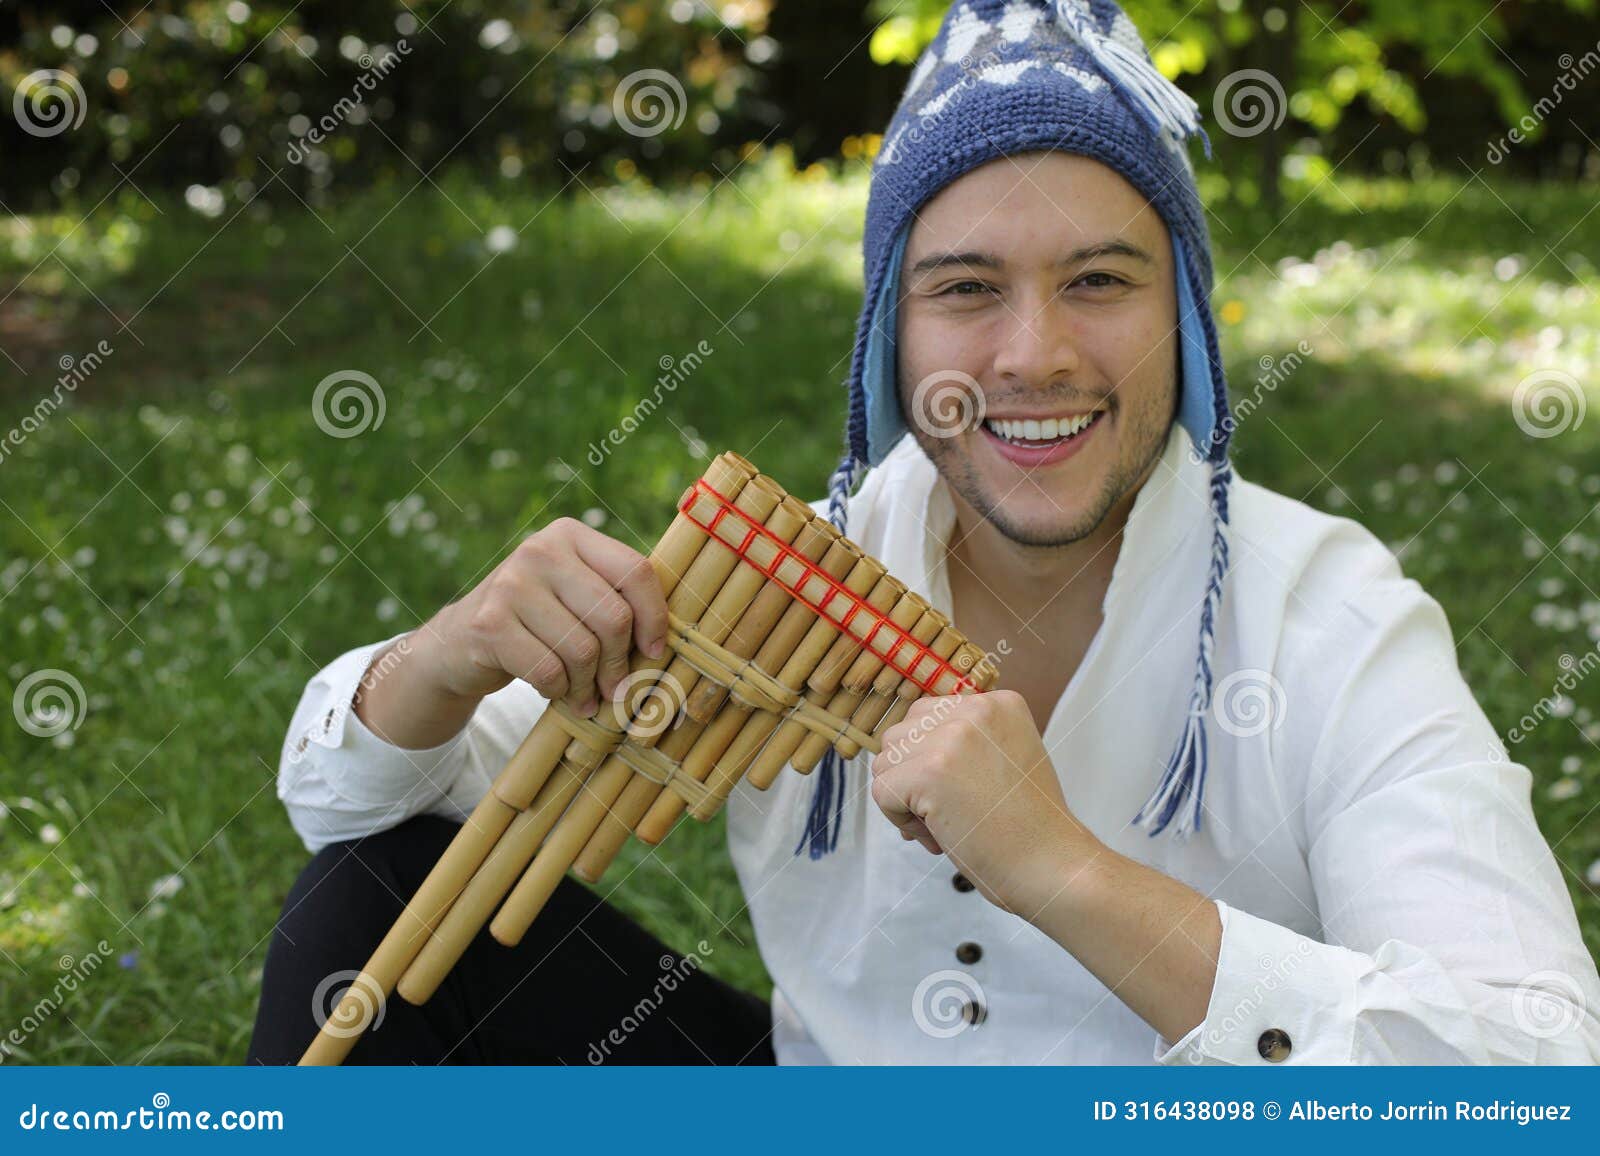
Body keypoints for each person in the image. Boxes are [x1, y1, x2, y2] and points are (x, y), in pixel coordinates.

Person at [249, 0, 1600, 1065]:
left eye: (1100, 280)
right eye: (965, 289)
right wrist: (444, 656)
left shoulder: (1329, 616)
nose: (1034, 353)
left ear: (1186, 325)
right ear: (890, 345)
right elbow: (341, 803)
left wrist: (1063, 871)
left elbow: (1538, 1070)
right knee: (369, 901)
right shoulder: (765, 590)